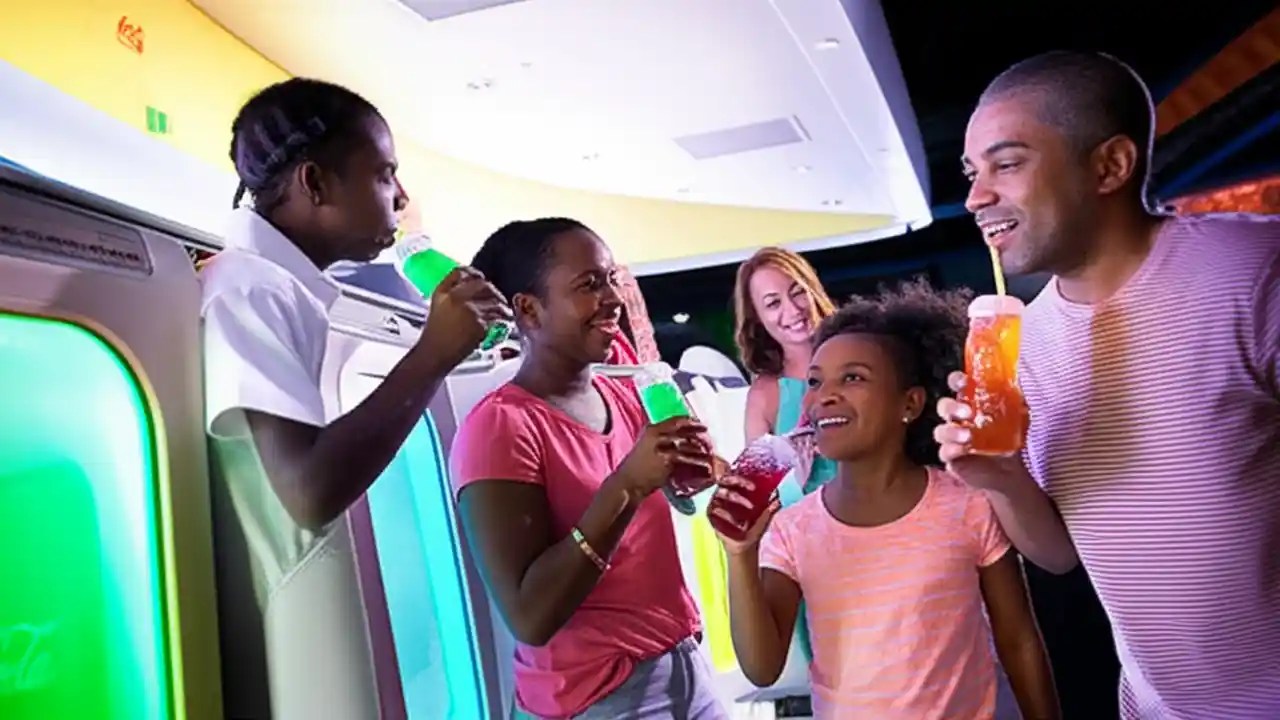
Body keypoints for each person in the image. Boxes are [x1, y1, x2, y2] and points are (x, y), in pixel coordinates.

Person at [938, 50, 1280, 719]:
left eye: (1006, 164)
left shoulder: (1252, 270)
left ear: (1109, 166)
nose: (976, 197)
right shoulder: (1024, 342)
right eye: (972, 172)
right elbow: (1062, 554)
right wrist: (1002, 478)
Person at [200, 77, 509, 717]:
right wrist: (433, 353)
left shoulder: (289, 289)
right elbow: (307, 492)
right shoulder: (249, 288)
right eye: (383, 174)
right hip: (284, 641)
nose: (399, 196)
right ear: (315, 184)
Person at [716, 280, 1060, 719]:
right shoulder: (792, 529)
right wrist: (739, 555)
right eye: (816, 381)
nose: (825, 396)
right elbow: (762, 668)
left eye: (853, 377)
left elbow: (1019, 641)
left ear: (911, 404)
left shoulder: (969, 504)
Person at [450, 218, 729, 720]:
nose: (612, 298)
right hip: (596, 699)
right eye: (588, 285)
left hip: (683, 667)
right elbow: (531, 616)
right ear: (529, 310)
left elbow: (660, 511)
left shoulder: (621, 391)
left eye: (609, 280)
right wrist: (626, 485)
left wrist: (687, 479)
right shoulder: (500, 427)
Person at [731, 246, 837, 664]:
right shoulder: (765, 395)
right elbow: (753, 500)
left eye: (797, 292)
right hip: (814, 567)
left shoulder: (865, 356)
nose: (792, 310)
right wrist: (791, 468)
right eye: (773, 303)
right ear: (757, 319)